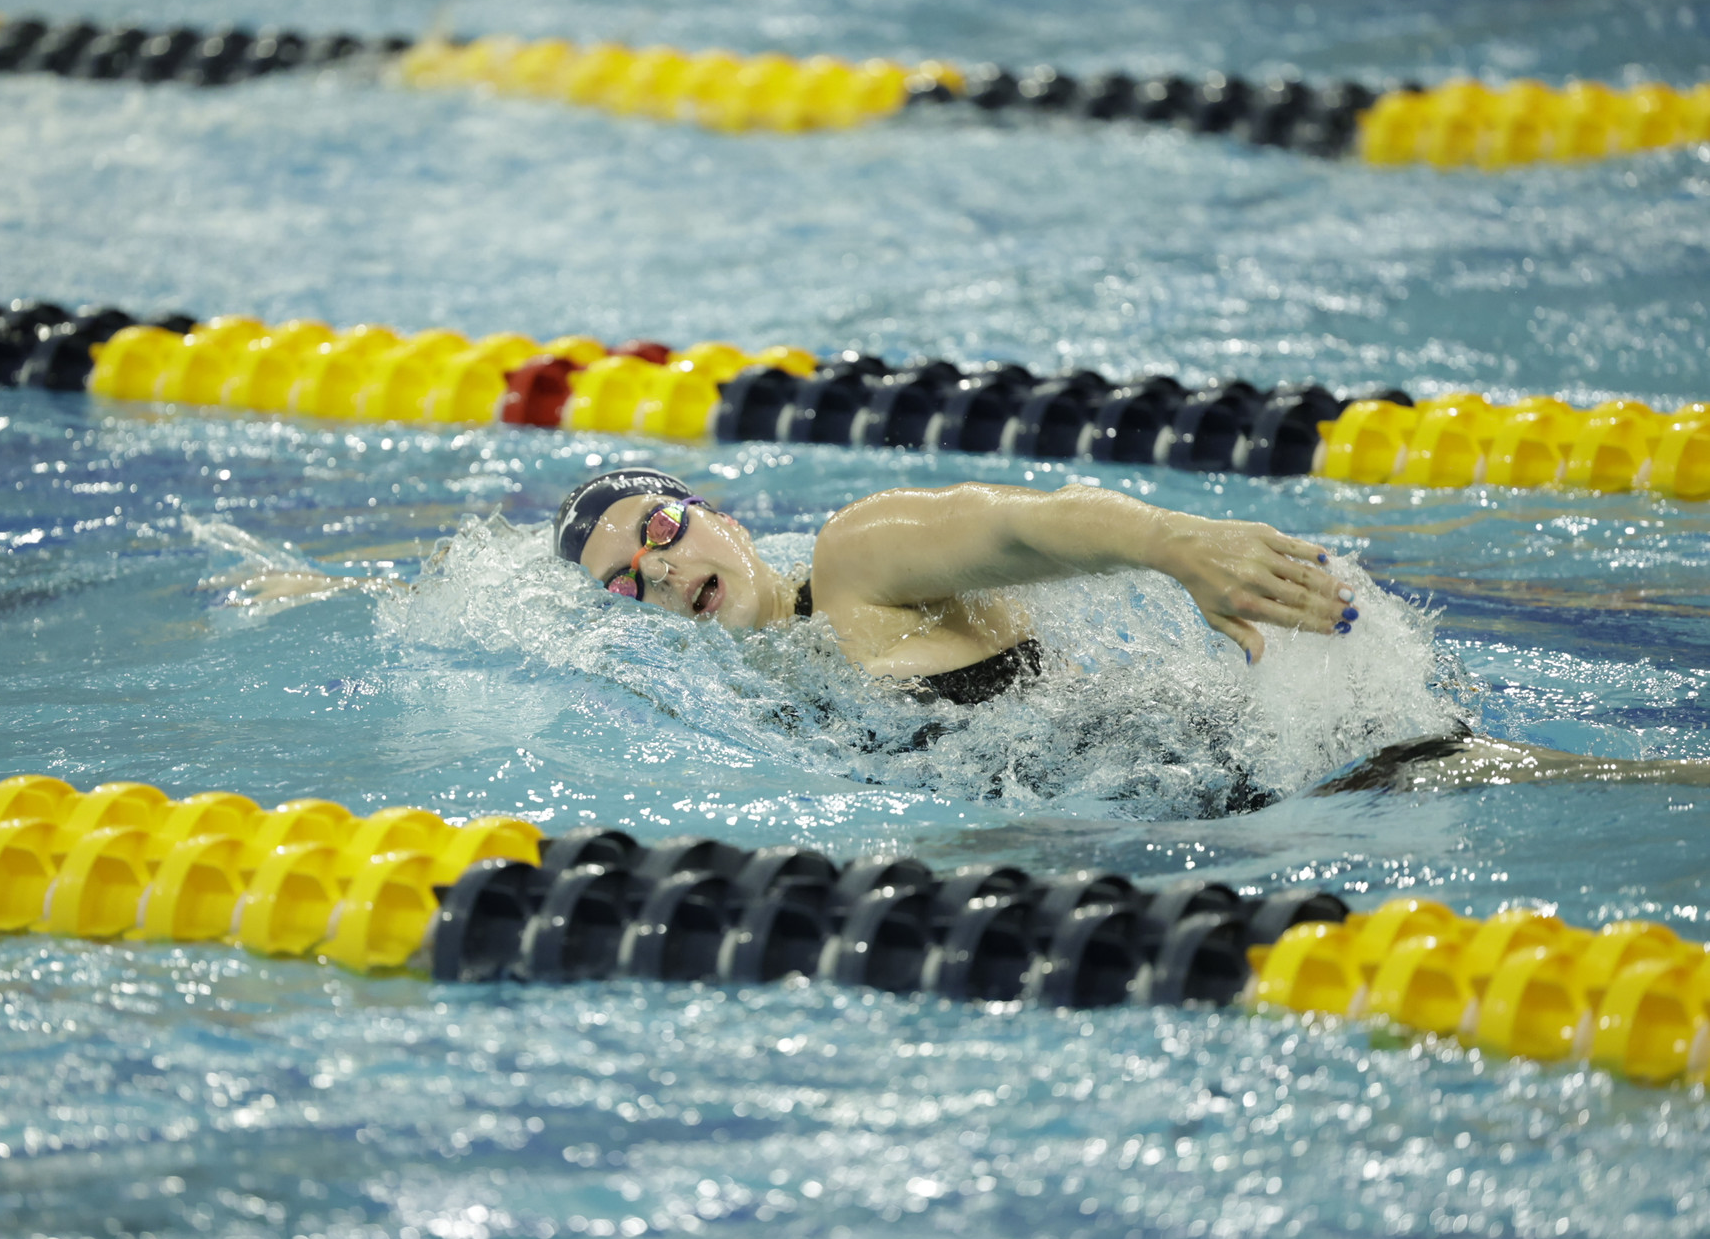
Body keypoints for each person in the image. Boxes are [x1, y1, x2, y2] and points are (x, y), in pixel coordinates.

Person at [554, 466, 1710, 790]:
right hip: (1190, 803)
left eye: (660, 531)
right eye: (625, 582)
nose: (659, 572)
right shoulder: (756, 680)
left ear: (719, 516)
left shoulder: (858, 558)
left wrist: (1174, 544)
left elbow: (1022, 524)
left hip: (1263, 761)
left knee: (1619, 786)